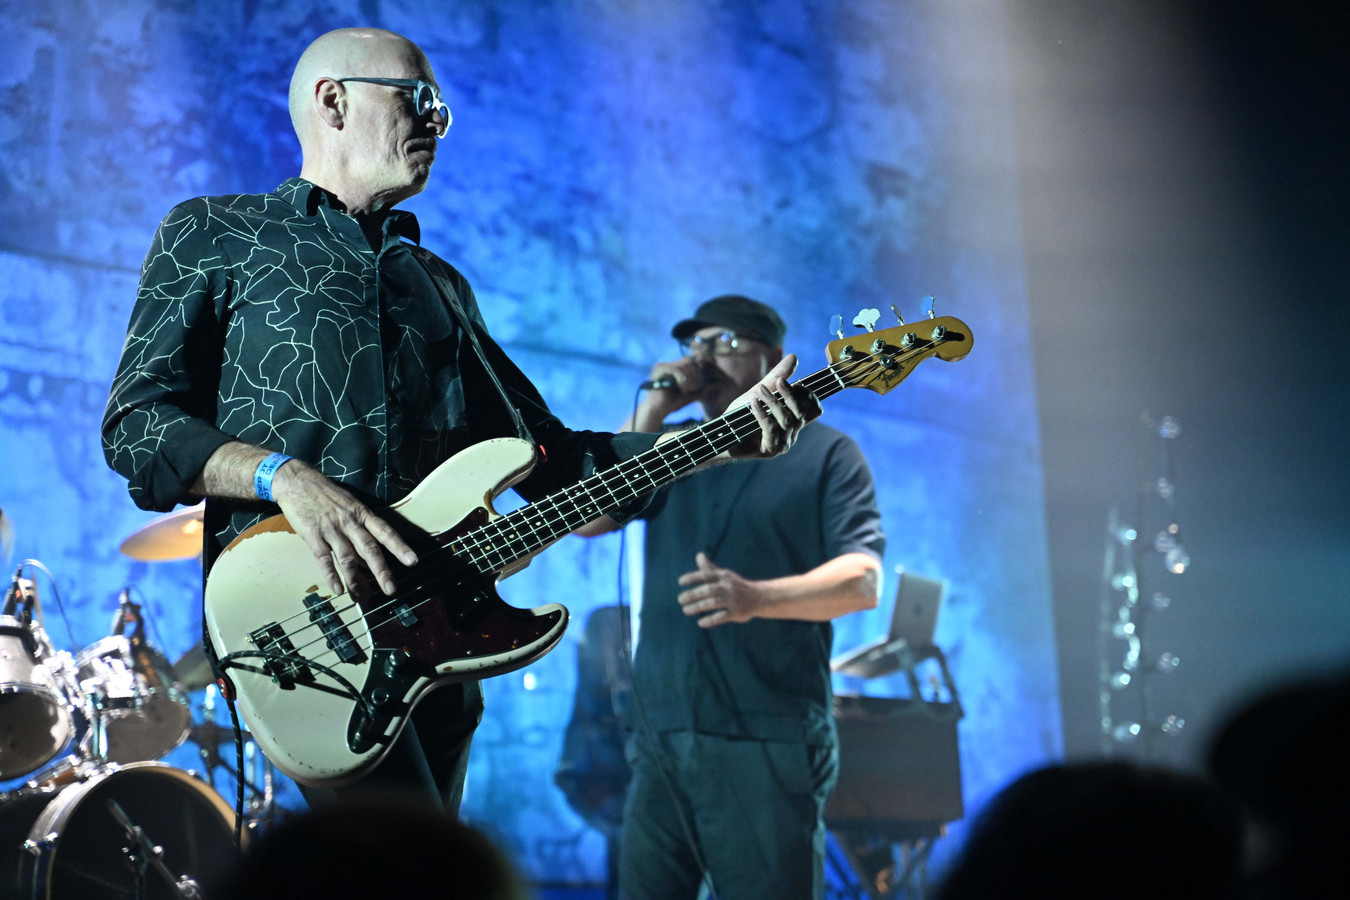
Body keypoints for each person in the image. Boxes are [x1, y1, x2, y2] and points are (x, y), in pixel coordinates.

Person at [101, 29, 813, 816]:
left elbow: (557, 462)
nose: (437, 124)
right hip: (298, 628)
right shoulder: (218, 231)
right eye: (420, 101)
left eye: (442, 109)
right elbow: (137, 426)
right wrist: (282, 475)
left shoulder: (438, 286)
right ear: (332, 100)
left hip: (442, 647)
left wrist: (719, 443)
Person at [576, 295, 886, 900]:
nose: (703, 358)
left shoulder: (827, 454)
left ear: (772, 358)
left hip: (764, 740)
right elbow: (591, 516)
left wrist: (755, 598)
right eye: (694, 345)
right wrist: (654, 408)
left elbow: (862, 582)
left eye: (723, 342)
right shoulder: (672, 449)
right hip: (661, 739)